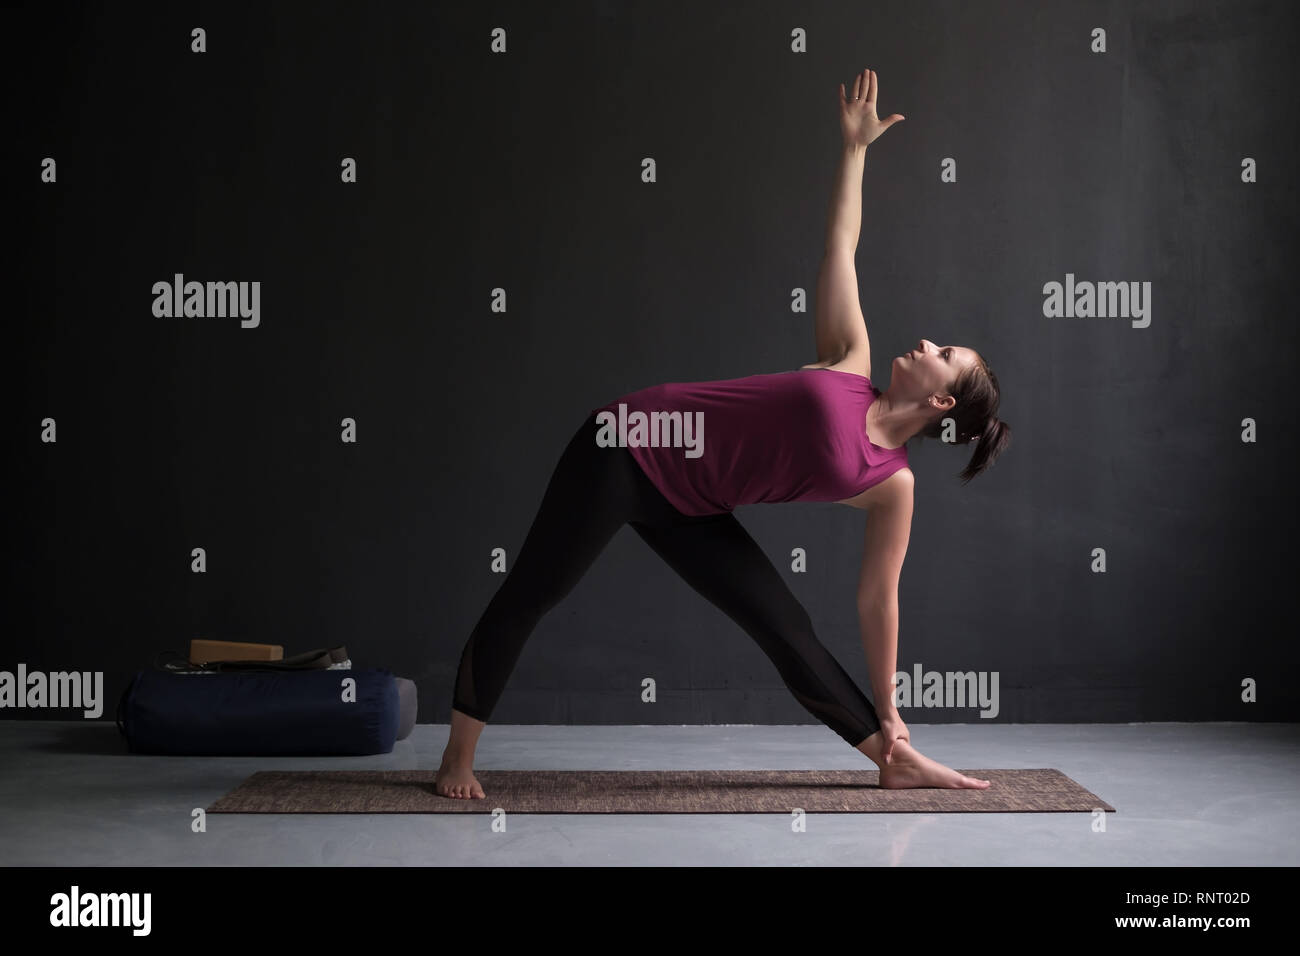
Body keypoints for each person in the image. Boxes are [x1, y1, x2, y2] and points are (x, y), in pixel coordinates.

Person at [436, 68, 1010, 799]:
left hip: (692, 504)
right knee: (533, 592)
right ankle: (456, 758)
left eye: (945, 357)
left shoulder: (891, 485)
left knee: (786, 625)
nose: (928, 344)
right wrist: (855, 150)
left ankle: (891, 759)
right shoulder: (849, 359)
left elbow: (877, 600)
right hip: (628, 445)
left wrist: (893, 711)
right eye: (940, 343)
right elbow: (842, 244)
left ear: (941, 406)